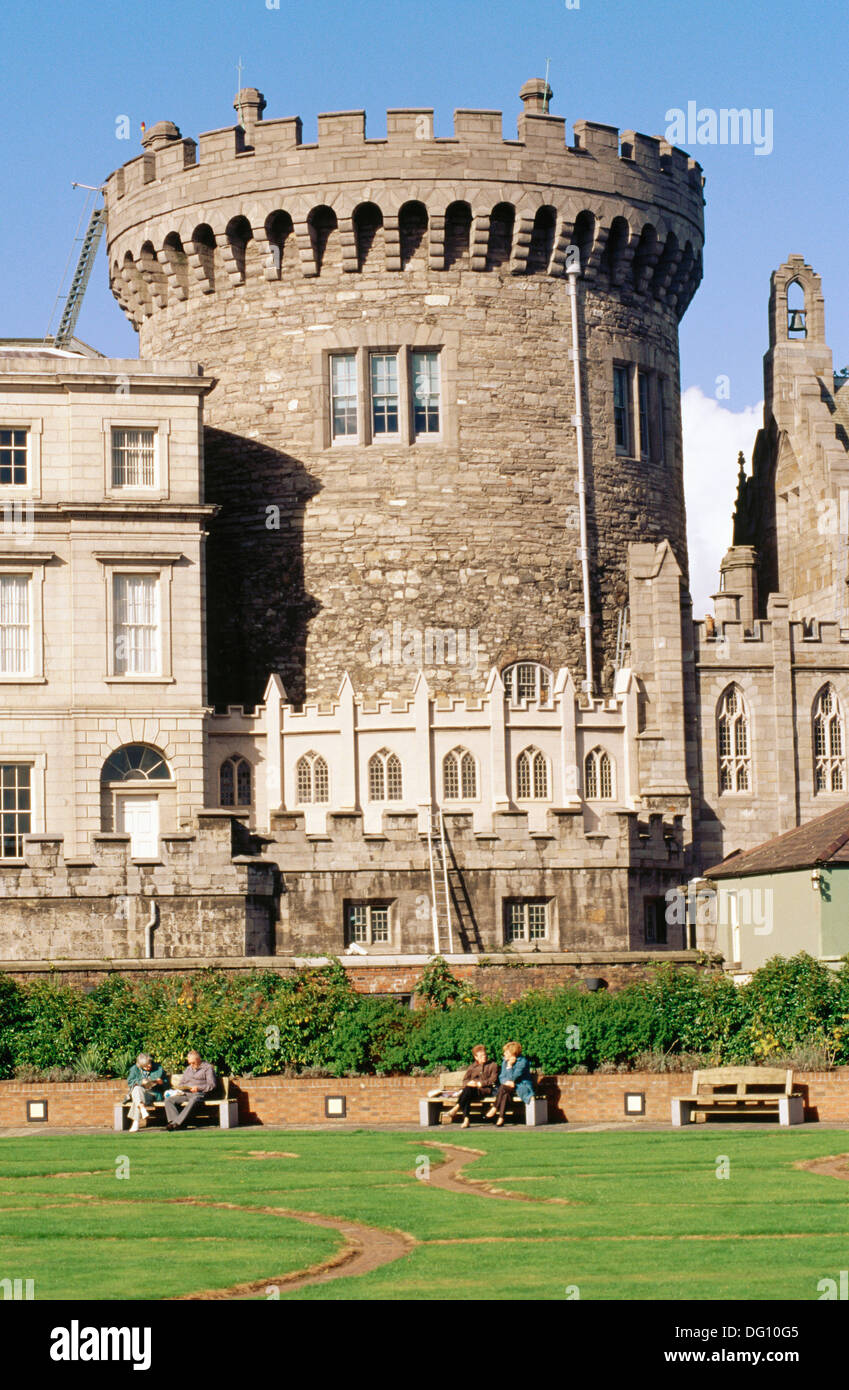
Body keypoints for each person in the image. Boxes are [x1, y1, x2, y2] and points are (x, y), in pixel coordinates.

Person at [444, 1045, 498, 1128]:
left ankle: (458, 1110)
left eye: (485, 1055)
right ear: (476, 1057)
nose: (484, 1057)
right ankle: (465, 1119)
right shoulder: (472, 1067)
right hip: (472, 1090)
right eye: (481, 1056)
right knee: (468, 1091)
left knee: (467, 1093)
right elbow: (465, 1080)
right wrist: (469, 1083)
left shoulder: (493, 1065)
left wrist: (480, 1083)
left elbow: (493, 1079)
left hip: (485, 1090)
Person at [163, 1050, 217, 1130]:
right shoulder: (188, 1069)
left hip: (199, 1093)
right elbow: (181, 1083)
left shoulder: (208, 1068)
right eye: (190, 1063)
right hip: (186, 1093)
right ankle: (174, 1123)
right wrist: (180, 1088)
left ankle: (177, 1123)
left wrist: (198, 1088)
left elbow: (212, 1085)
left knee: (193, 1099)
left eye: (193, 1063)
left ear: (199, 1060)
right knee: (168, 1100)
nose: (191, 1065)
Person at [486, 1041, 534, 1126]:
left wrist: (509, 1066)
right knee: (505, 1092)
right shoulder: (505, 1061)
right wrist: (507, 1082)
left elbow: (514, 1077)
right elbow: (501, 1077)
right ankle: (501, 1117)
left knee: (503, 1089)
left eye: (506, 1052)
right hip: (508, 1087)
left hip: (521, 1086)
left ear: (512, 1053)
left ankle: (495, 1107)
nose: (504, 1053)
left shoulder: (522, 1062)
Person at [125, 1053, 166, 1132]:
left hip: (152, 1094)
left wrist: (161, 1082)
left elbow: (166, 1083)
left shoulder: (158, 1068)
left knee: (136, 1098)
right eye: (145, 1066)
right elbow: (130, 1082)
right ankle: (142, 1109)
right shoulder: (134, 1069)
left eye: (149, 1064)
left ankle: (136, 1122)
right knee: (137, 1089)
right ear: (140, 1066)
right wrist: (141, 1082)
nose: (148, 1067)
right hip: (141, 1093)